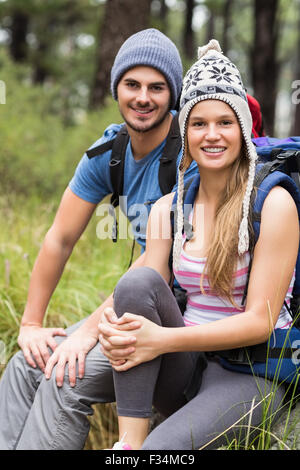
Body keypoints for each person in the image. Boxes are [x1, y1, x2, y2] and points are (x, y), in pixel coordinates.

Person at [0, 29, 198, 450]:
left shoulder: (190, 155)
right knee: (25, 364)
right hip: (133, 300)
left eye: (157, 87)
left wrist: (88, 331)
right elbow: (60, 238)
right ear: (117, 89)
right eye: (132, 84)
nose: (143, 97)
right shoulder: (110, 151)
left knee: (64, 374)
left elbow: (156, 265)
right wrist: (31, 325)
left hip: (183, 314)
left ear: (173, 94)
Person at [98, 39, 299, 450]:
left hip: (250, 372)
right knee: (133, 287)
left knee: (163, 453)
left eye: (225, 122)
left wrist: (162, 340)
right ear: (184, 130)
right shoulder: (168, 209)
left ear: (242, 128)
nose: (212, 135)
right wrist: (109, 324)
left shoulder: (274, 205)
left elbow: (260, 321)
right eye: (198, 123)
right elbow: (142, 288)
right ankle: (128, 443)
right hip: (186, 368)